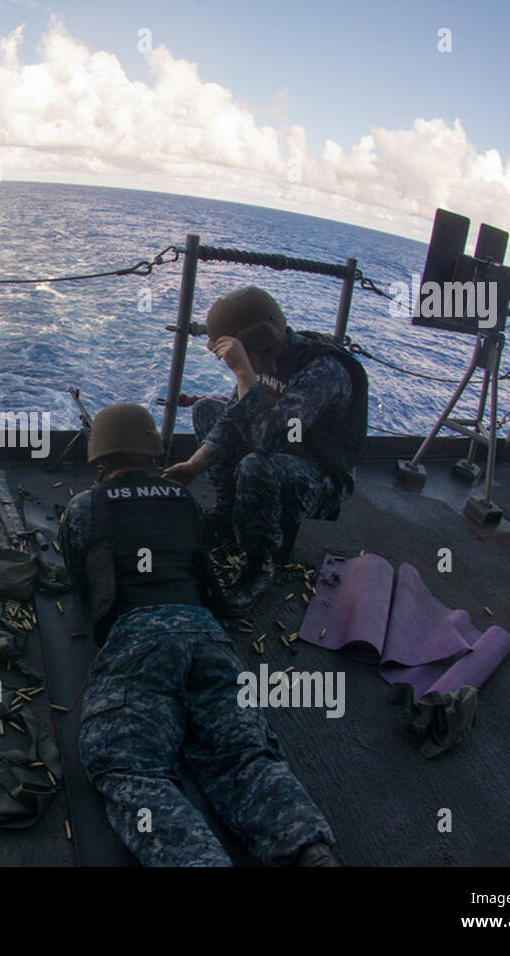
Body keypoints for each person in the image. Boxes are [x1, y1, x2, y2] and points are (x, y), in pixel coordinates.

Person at [60, 403, 339, 867]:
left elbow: (82, 579)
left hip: (138, 639)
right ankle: (310, 851)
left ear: (98, 455)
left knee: (129, 761)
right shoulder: (182, 499)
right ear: (153, 449)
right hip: (206, 634)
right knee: (244, 753)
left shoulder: (84, 508)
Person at [164, 286, 368, 612]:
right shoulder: (269, 358)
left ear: (259, 344)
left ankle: (259, 565)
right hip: (280, 454)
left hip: (321, 476)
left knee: (256, 465)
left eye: (243, 355)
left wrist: (244, 374)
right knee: (206, 410)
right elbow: (233, 419)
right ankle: (228, 512)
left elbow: (269, 440)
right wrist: (193, 466)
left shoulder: (322, 373)